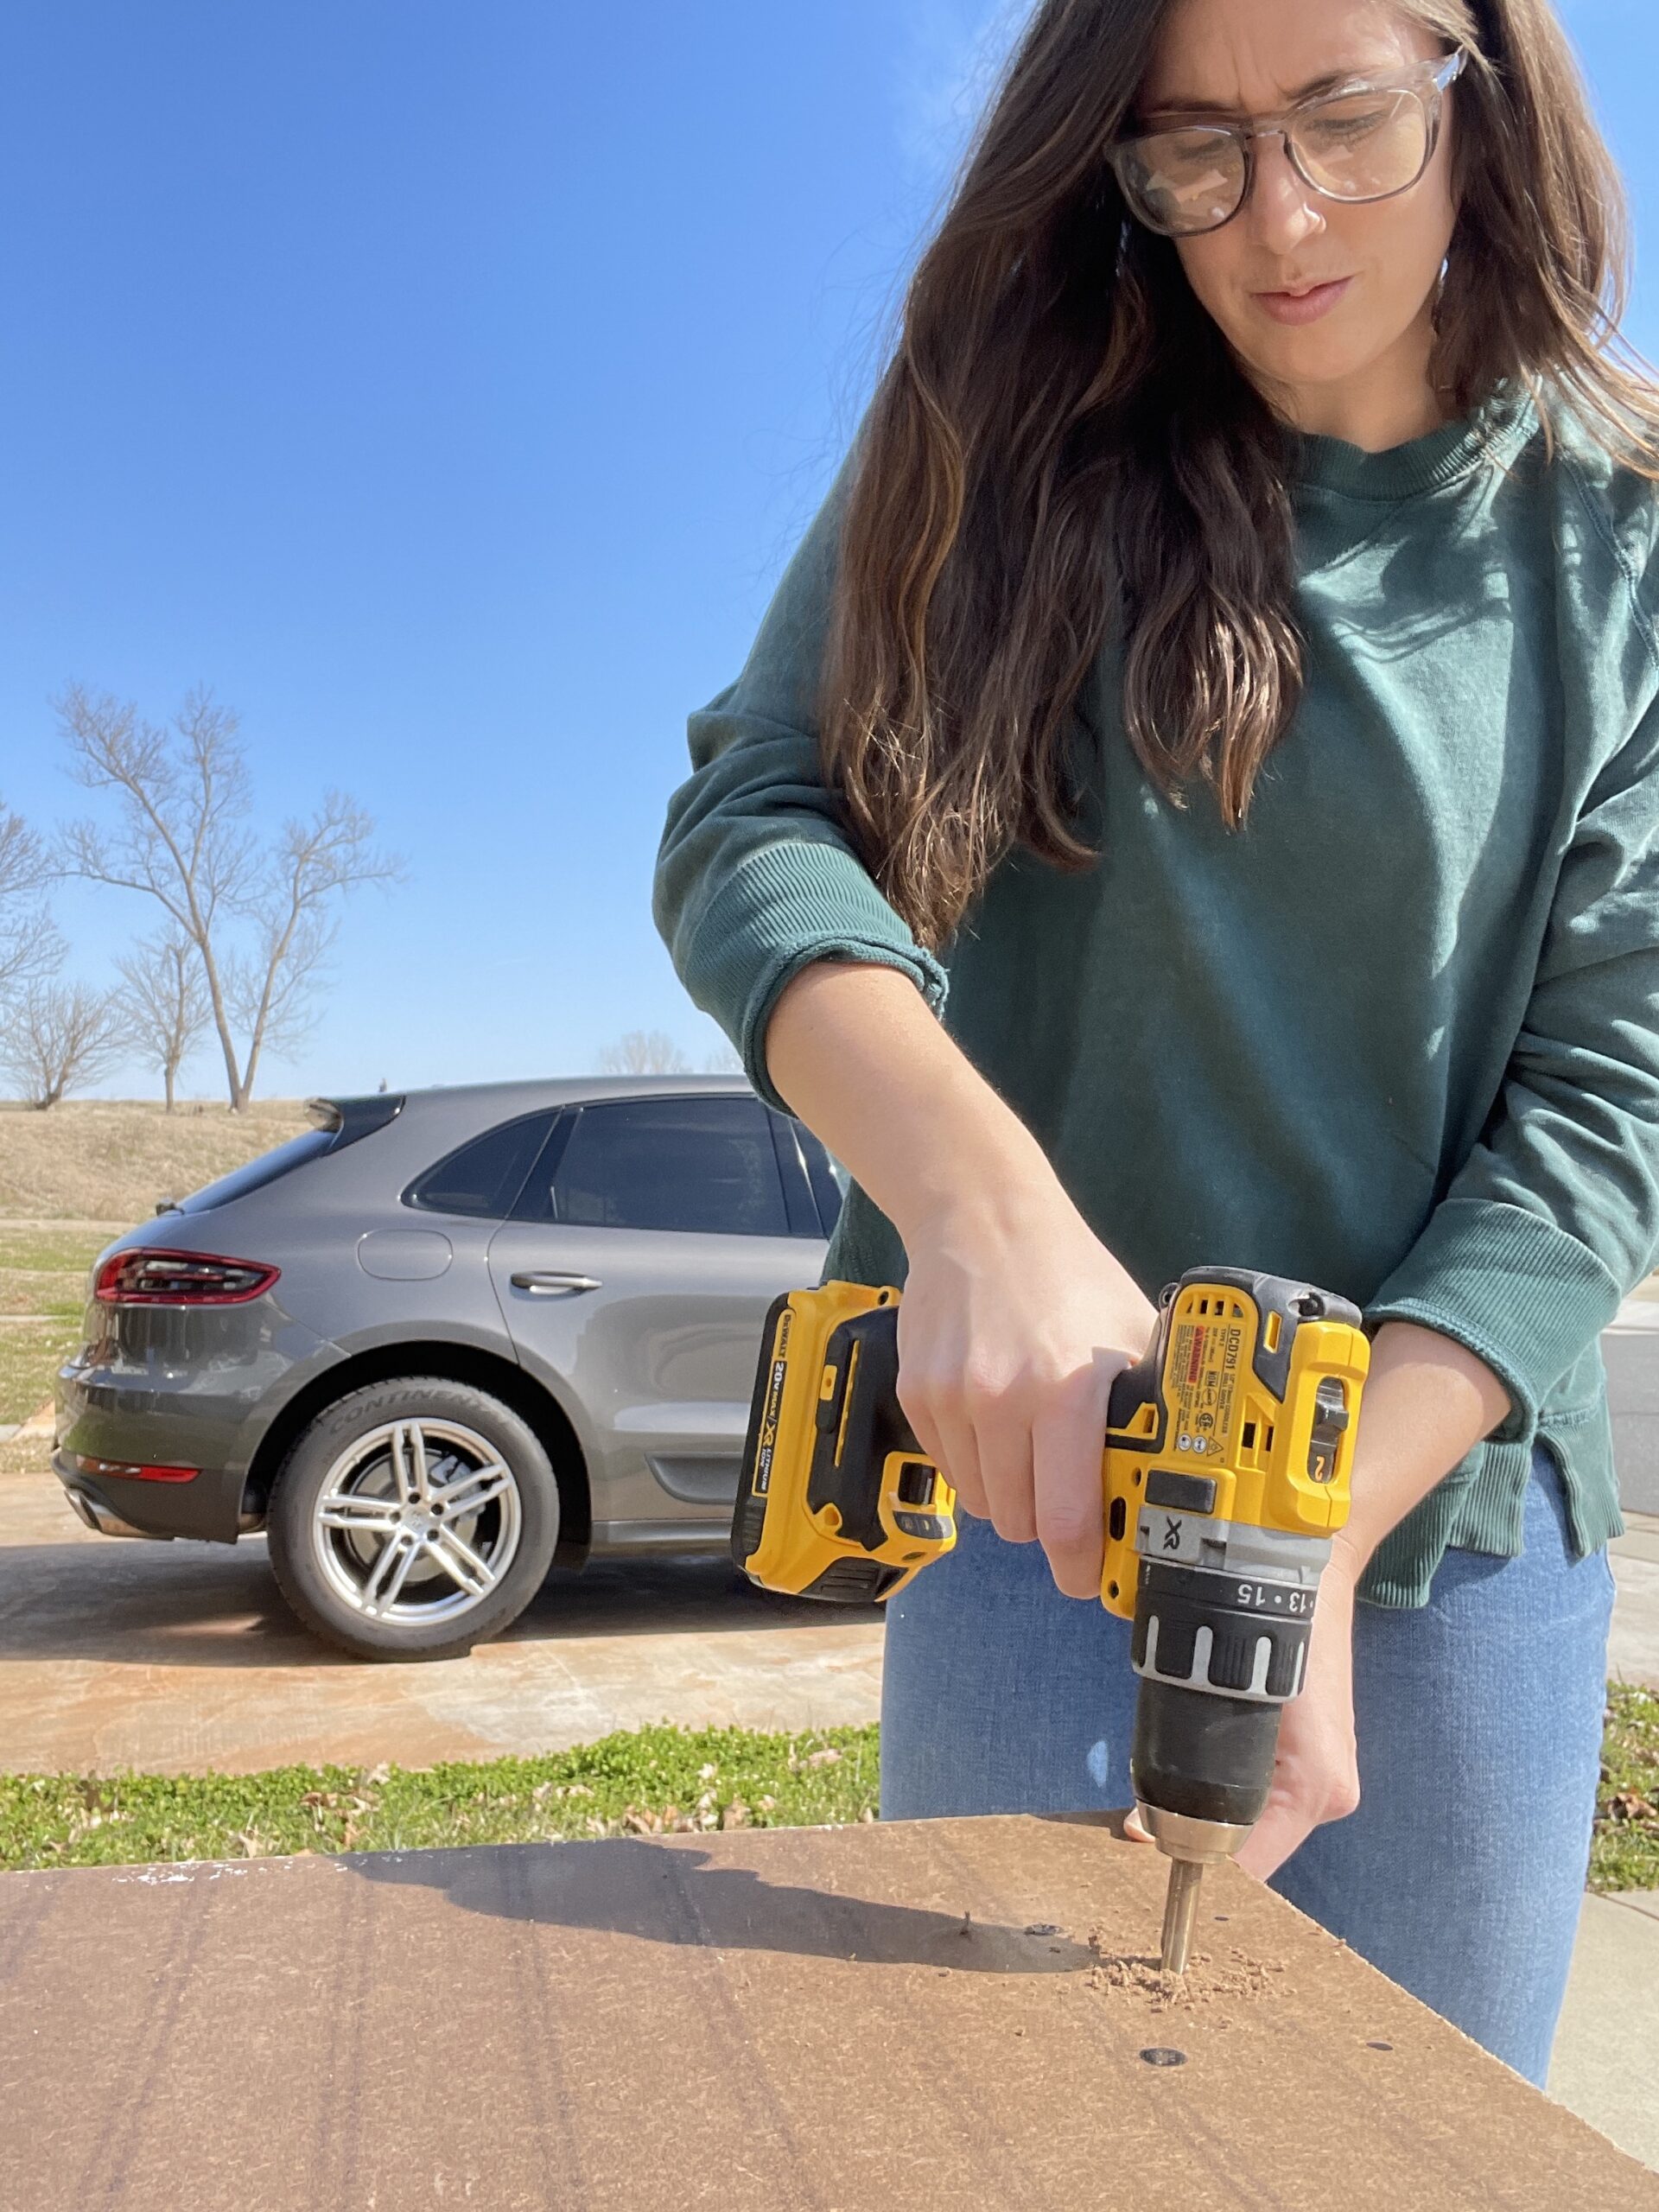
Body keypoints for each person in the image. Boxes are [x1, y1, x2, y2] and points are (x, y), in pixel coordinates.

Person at [652, 0, 1659, 2088]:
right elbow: (755, 816)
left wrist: (1308, 1533)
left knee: (1413, 2145)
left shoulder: (1628, 540)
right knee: (1003, 2132)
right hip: (1035, 1520)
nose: (1275, 217)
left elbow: (1613, 1095)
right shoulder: (998, 440)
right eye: (1193, 151)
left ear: (1482, 89)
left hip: (1450, 1523)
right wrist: (975, 1202)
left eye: (1346, 120)